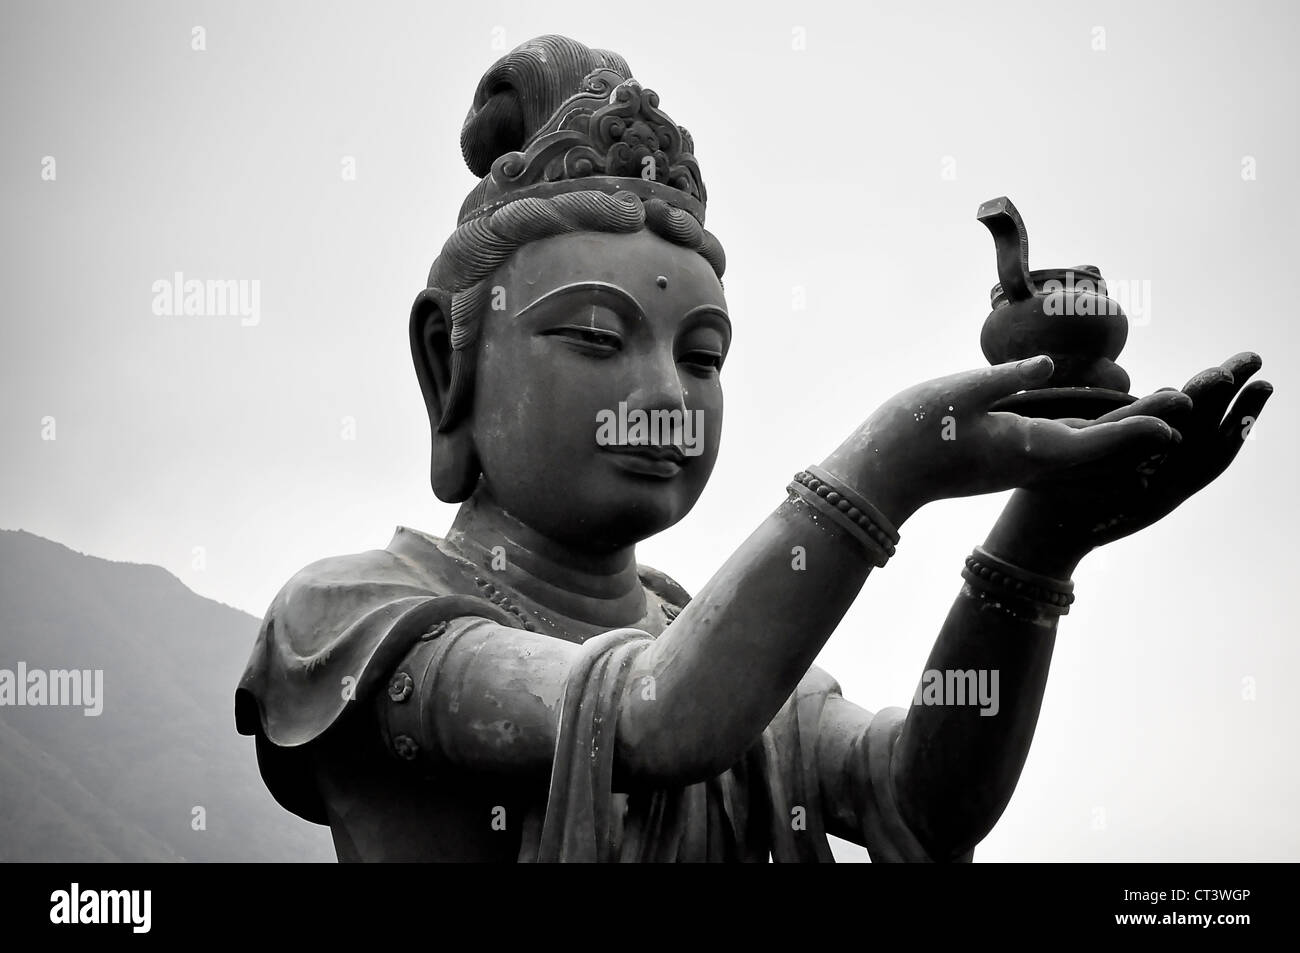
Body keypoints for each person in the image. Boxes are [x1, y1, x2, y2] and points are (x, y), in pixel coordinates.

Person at [235, 35, 1272, 862]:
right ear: (444, 365)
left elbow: (914, 798)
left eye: (703, 354)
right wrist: (881, 469)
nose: (662, 396)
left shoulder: (720, 638)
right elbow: (645, 720)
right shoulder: (356, 618)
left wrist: (1033, 549)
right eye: (595, 336)